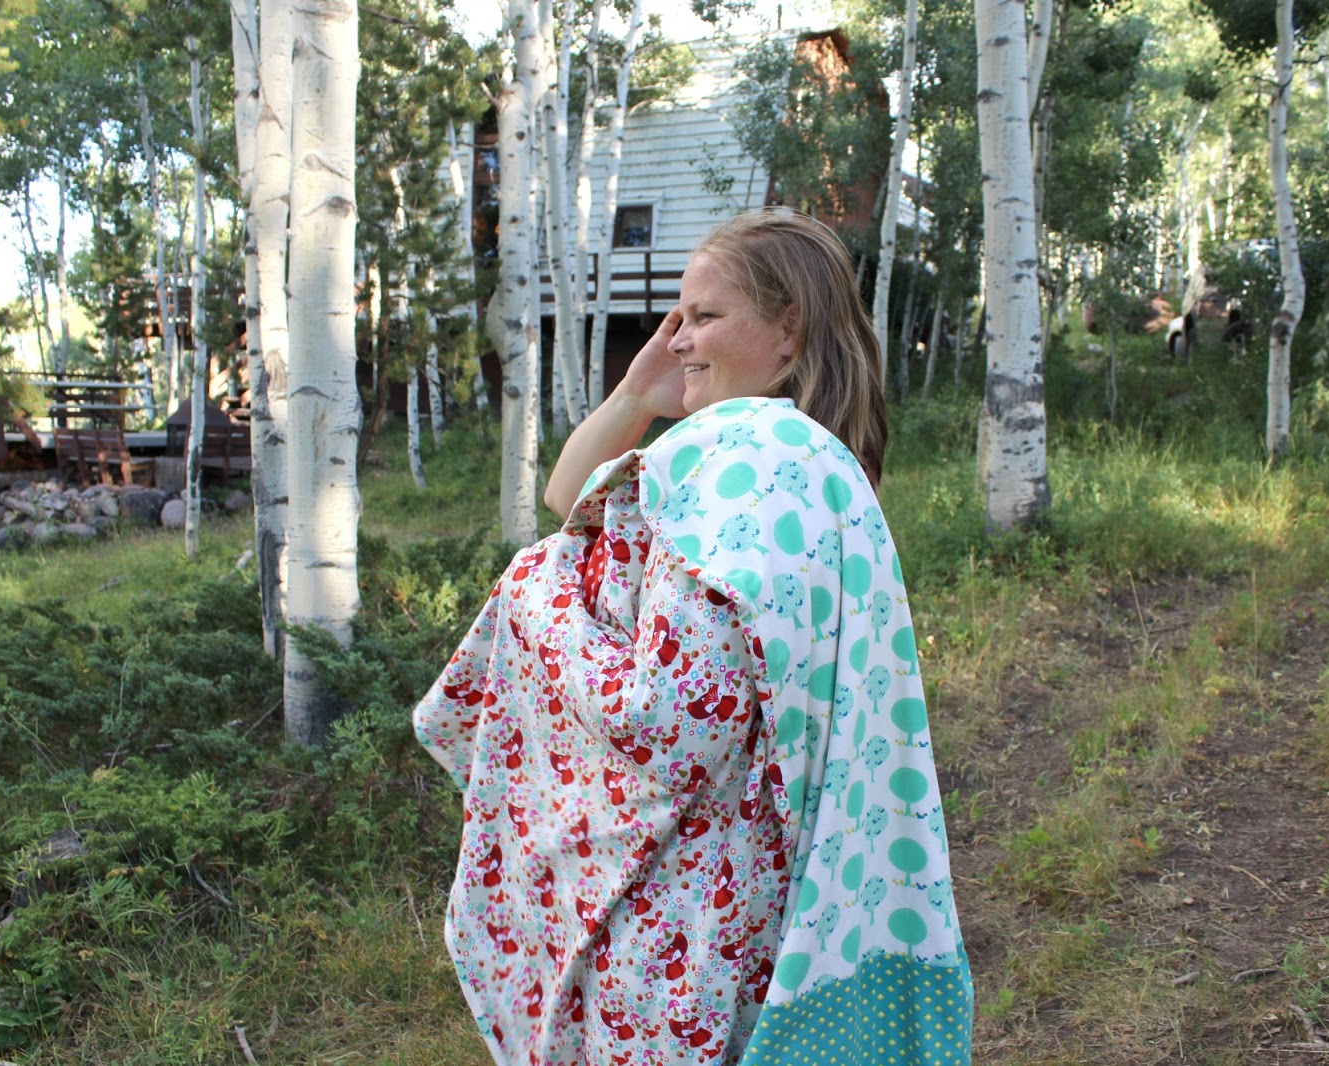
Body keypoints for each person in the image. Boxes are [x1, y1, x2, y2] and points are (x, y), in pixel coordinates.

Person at [414, 209, 972, 1065]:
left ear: (788, 329)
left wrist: (530, 599)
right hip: (754, 886)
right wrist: (643, 392)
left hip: (687, 903)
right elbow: (573, 500)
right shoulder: (803, 464)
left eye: (704, 317)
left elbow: (670, 718)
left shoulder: (757, 460)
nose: (678, 337)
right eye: (676, 317)